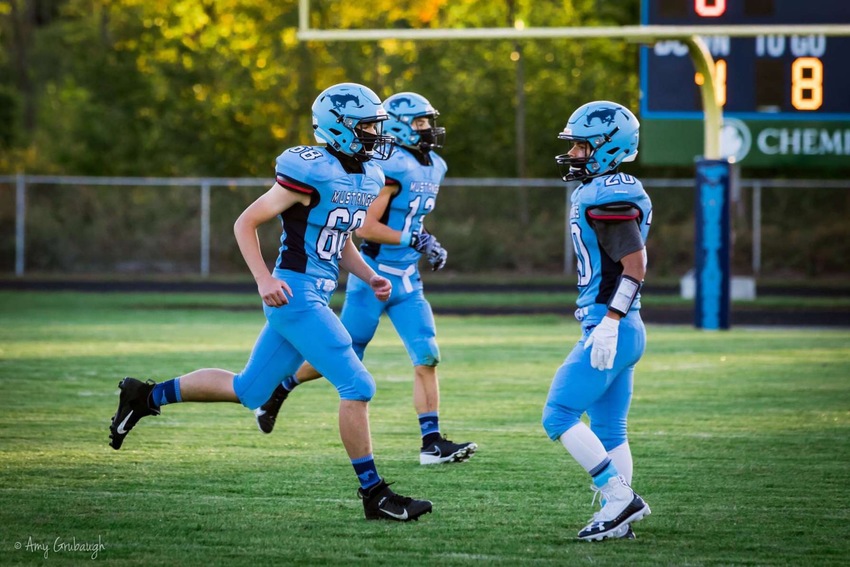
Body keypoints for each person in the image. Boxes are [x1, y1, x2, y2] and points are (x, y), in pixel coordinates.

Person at [108, 82, 433, 522]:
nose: (378, 136)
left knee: (249, 390)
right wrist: (263, 279)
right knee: (359, 385)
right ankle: (374, 495)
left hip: (314, 293)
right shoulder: (311, 170)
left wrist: (370, 274)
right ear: (340, 129)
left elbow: (341, 238)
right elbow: (246, 222)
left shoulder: (367, 176)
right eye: (369, 127)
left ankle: (145, 396)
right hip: (293, 293)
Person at [253, 92, 478, 466]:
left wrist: (423, 241)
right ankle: (281, 387)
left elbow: (410, 220)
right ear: (401, 125)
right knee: (346, 357)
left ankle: (431, 441)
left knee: (427, 354)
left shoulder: (435, 165)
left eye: (427, 121)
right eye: (420, 122)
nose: (429, 129)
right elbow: (366, 229)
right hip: (373, 277)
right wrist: (415, 239)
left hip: (407, 278)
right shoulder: (386, 168)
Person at [541, 101, 652, 541]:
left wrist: (609, 321)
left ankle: (618, 497)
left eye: (584, 147)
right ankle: (619, 512)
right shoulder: (602, 188)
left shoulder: (609, 194)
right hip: (625, 327)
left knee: (558, 413)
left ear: (609, 147)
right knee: (609, 428)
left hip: (614, 325)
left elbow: (636, 264)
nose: (575, 155)